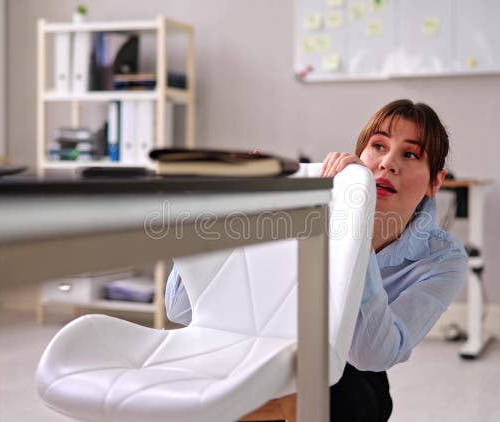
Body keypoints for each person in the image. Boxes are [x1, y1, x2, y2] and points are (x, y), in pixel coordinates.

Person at [165, 99, 468, 421]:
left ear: (436, 181)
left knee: (349, 399)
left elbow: (373, 355)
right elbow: (181, 308)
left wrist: (354, 228)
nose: (388, 163)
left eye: (410, 154)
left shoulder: (443, 259)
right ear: (360, 156)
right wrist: (230, 210)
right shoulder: (303, 203)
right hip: (262, 348)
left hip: (350, 373)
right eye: (378, 146)